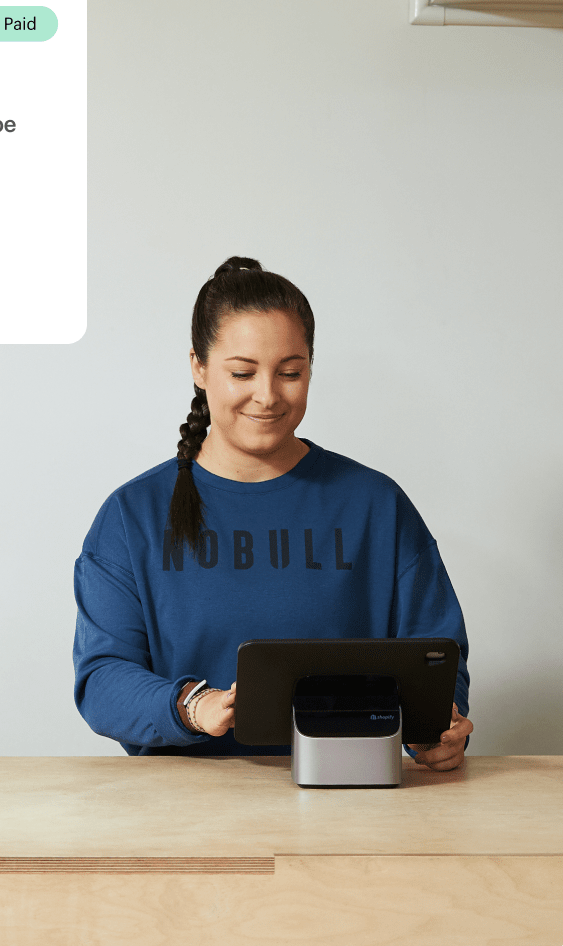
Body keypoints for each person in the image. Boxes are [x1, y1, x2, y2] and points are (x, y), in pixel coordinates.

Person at [73, 257, 472, 770]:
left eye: (290, 372)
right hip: (181, 808)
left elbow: (438, 656)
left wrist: (440, 725)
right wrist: (194, 705)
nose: (267, 396)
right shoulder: (132, 516)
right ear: (198, 366)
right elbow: (103, 677)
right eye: (242, 372)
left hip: (351, 794)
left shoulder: (375, 504)